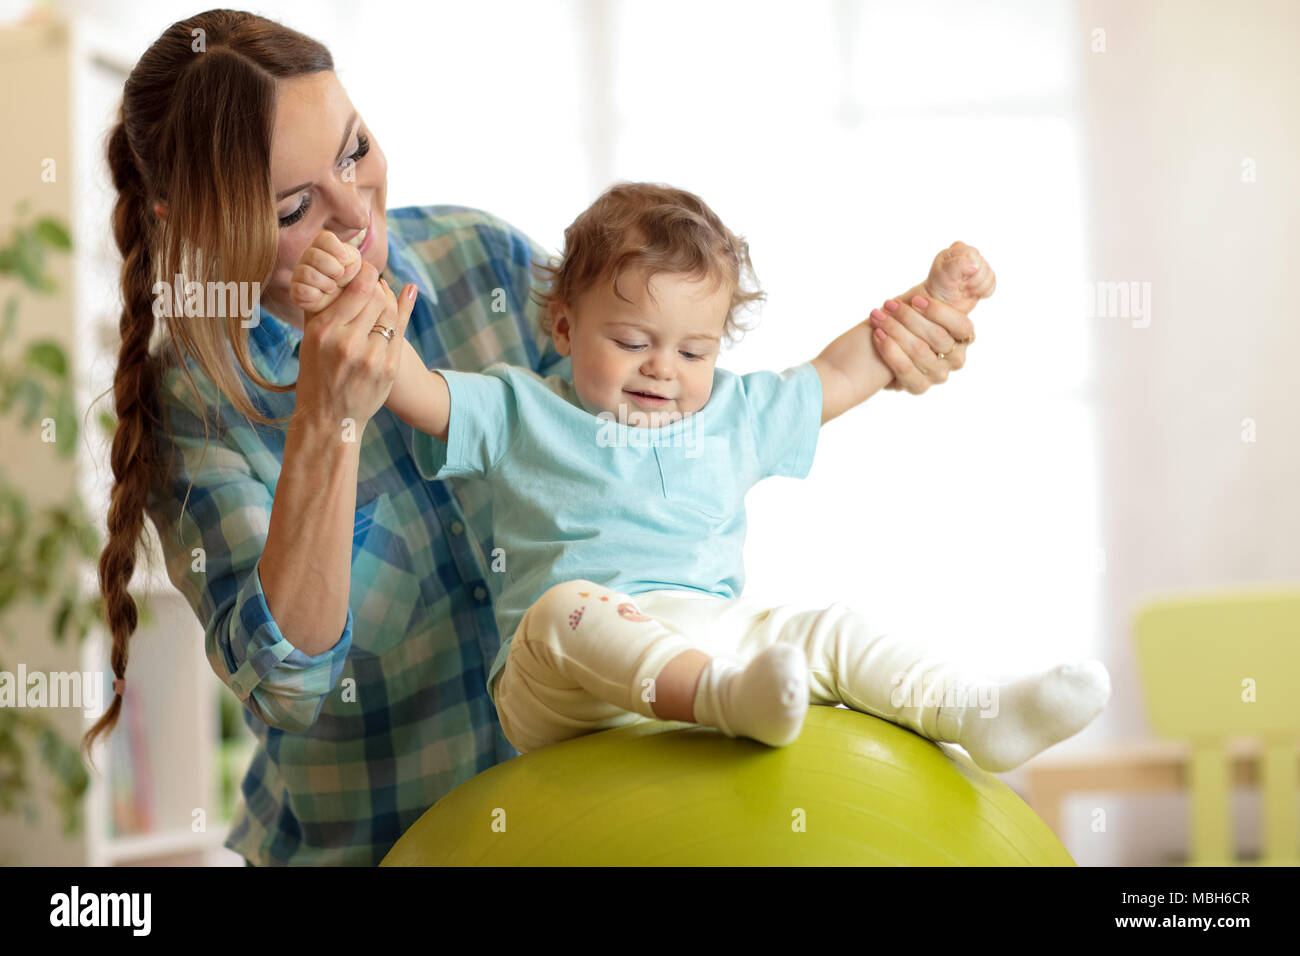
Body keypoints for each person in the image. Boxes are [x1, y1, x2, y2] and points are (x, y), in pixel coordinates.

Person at [84, 10, 986, 866]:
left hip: (586, 820)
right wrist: (331, 418)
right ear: (189, 227)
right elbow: (287, 688)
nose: (357, 214)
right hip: (377, 844)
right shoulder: (192, 407)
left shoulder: (481, 260)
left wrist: (883, 354)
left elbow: (664, 394)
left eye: (354, 151)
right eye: (294, 209)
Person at [295, 182, 1110, 771]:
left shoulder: (733, 414)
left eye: (693, 351)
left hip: (710, 634)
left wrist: (928, 304)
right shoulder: (519, 408)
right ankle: (728, 702)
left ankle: (970, 709)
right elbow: (413, 388)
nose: (662, 370)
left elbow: (841, 371)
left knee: (822, 628)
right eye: (630, 340)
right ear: (565, 325)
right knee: (564, 608)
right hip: (563, 683)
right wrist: (351, 300)